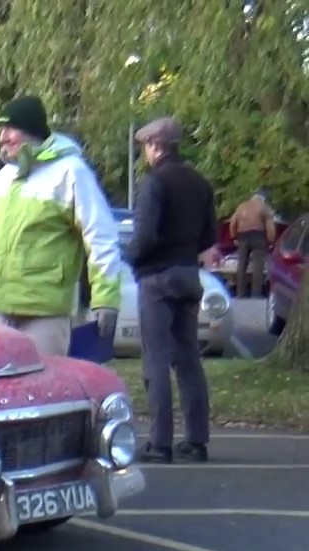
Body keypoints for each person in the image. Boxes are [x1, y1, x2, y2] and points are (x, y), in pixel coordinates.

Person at [0, 94, 122, 356]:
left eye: (10, 129)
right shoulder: (2, 179)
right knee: (1, 392)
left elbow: (100, 236)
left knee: (42, 391)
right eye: (1, 130)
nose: (2, 137)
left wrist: (106, 298)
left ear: (32, 131)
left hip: (45, 314)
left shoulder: (70, 172)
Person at [124, 117, 216, 463]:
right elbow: (208, 236)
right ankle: (196, 439)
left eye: (146, 147)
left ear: (155, 147)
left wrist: (130, 257)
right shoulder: (200, 184)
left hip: (157, 277)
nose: (145, 154)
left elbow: (145, 236)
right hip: (189, 274)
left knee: (157, 360)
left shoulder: (154, 183)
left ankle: (159, 443)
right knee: (189, 358)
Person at [228, 190, 277, 298]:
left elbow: (232, 224)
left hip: (242, 237)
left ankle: (240, 293)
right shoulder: (263, 207)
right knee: (258, 266)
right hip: (258, 237)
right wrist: (271, 241)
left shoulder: (241, 207)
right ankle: (256, 294)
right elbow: (270, 227)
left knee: (241, 265)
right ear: (262, 199)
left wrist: (233, 237)